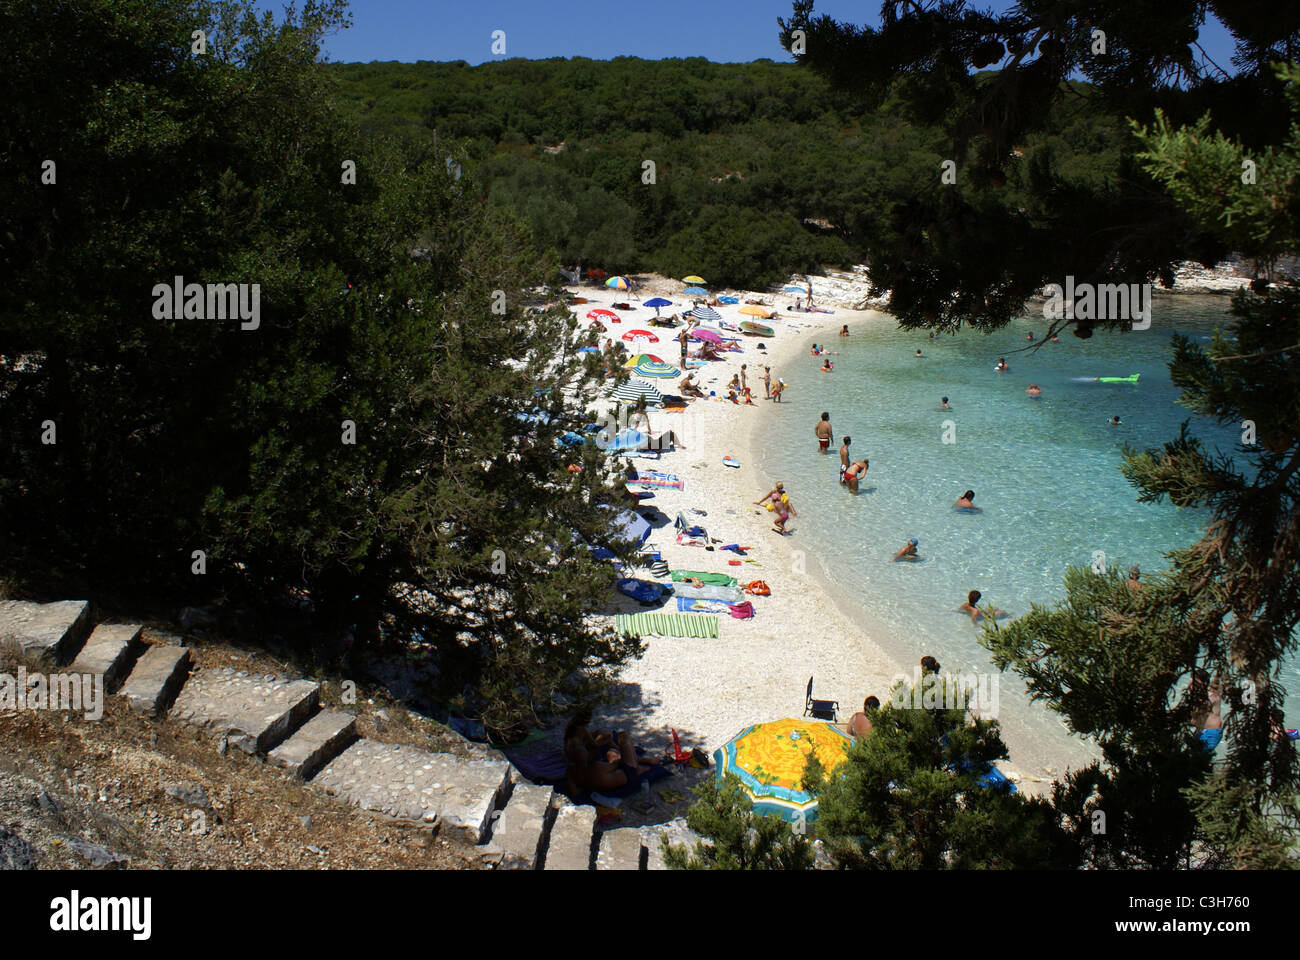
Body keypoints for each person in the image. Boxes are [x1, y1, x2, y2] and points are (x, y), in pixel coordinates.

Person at [1188, 671, 1223, 753]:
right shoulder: (1200, 695)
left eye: (1196, 681)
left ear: (1204, 683)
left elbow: (1199, 711)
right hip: (1200, 731)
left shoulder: (1211, 696)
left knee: (1201, 759)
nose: (1193, 683)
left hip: (1211, 732)